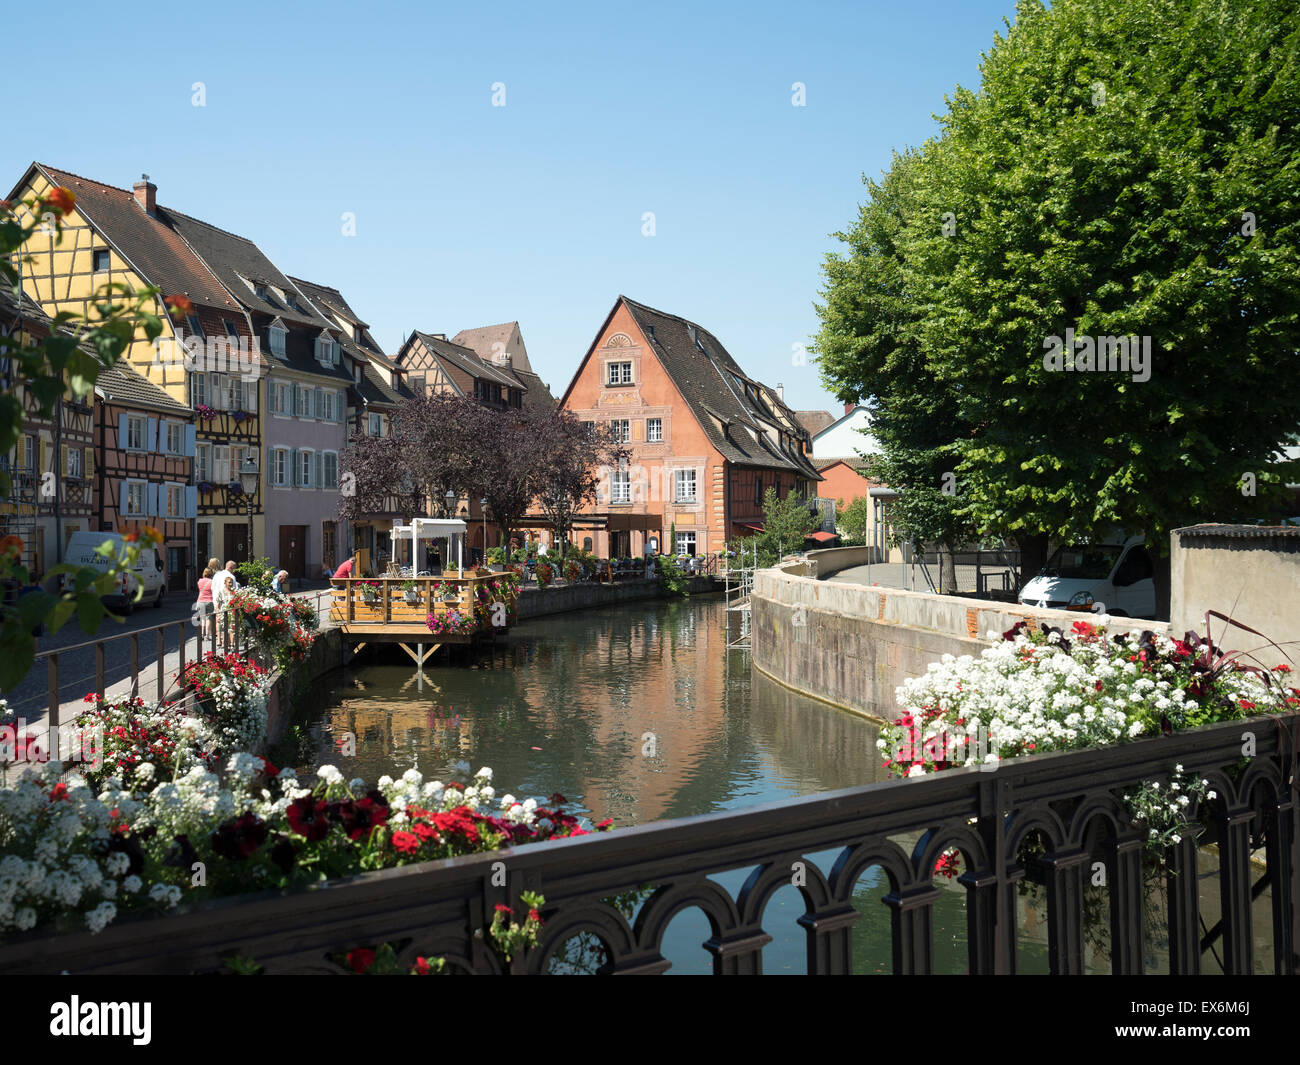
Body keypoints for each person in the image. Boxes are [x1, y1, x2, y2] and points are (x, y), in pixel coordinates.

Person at [211, 561, 239, 645]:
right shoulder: (231, 577)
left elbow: (212, 587)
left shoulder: (216, 575)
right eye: (234, 568)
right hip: (227, 601)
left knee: (218, 621)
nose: (234, 570)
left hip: (216, 600)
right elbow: (235, 590)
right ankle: (228, 642)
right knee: (229, 622)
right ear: (231, 568)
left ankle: (219, 640)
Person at [195, 567, 215, 640]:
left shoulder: (199, 581)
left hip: (201, 601)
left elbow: (200, 591)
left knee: (202, 618)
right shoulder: (212, 582)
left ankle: (201, 634)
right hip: (210, 601)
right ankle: (207, 635)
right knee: (209, 618)